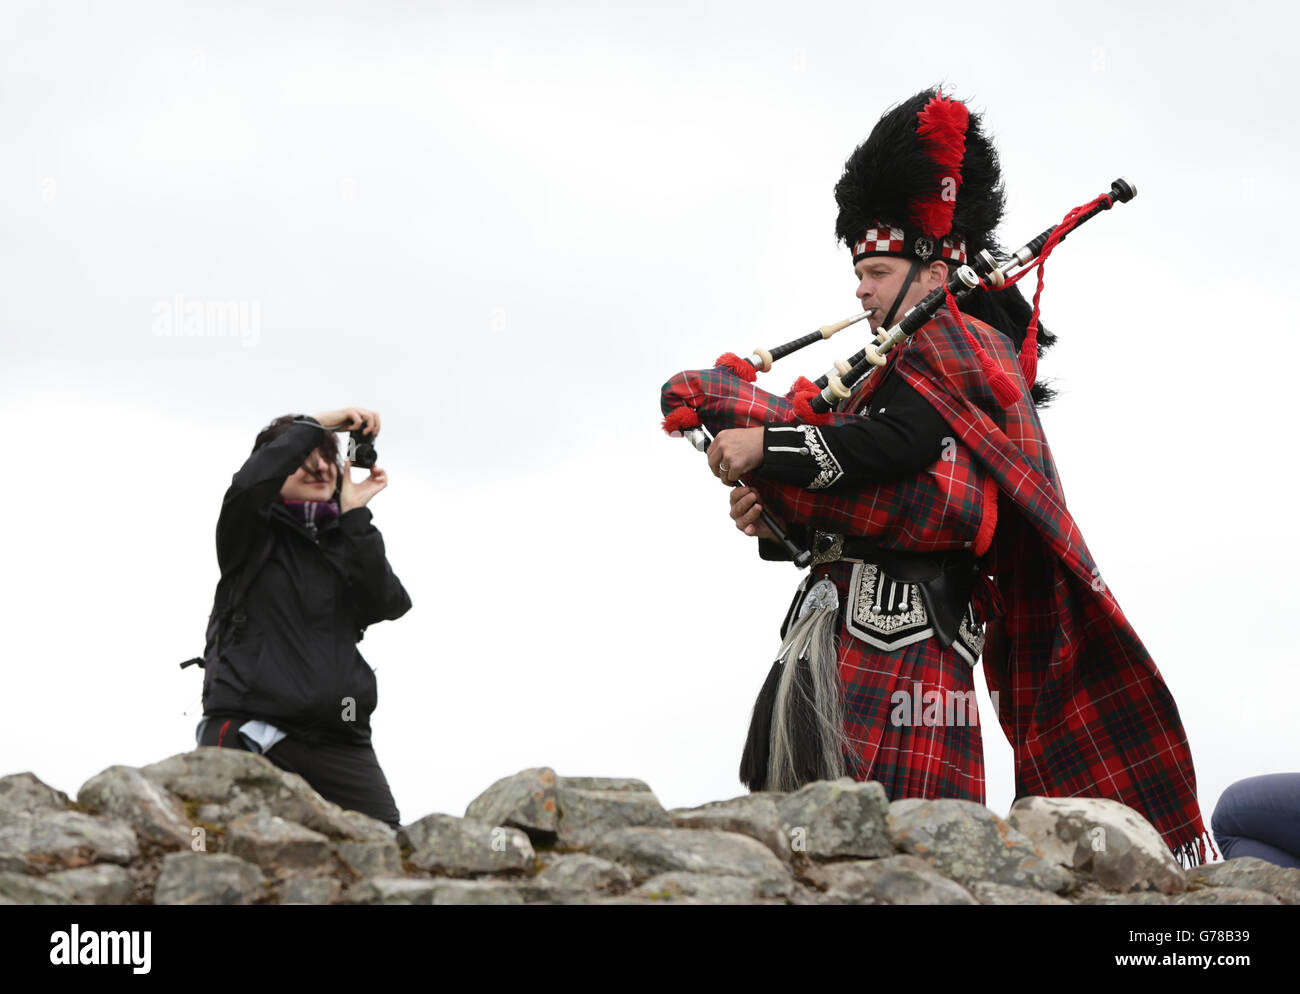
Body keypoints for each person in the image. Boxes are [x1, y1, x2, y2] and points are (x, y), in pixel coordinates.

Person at [703, 88, 1213, 865]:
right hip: (833, 632)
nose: (860, 290)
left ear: (935, 267)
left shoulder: (962, 350)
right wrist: (782, 518)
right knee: (803, 855)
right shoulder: (897, 366)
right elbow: (866, 494)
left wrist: (771, 455)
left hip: (907, 643)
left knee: (905, 861)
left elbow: (926, 482)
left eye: (875, 270)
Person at [190, 407, 412, 830]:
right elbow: (249, 483)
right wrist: (315, 423)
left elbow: (385, 602)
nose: (318, 466)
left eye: (328, 455)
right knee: (219, 852)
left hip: (340, 733)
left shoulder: (345, 537)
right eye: (302, 457)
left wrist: (355, 514)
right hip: (250, 727)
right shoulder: (248, 533)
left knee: (385, 848)